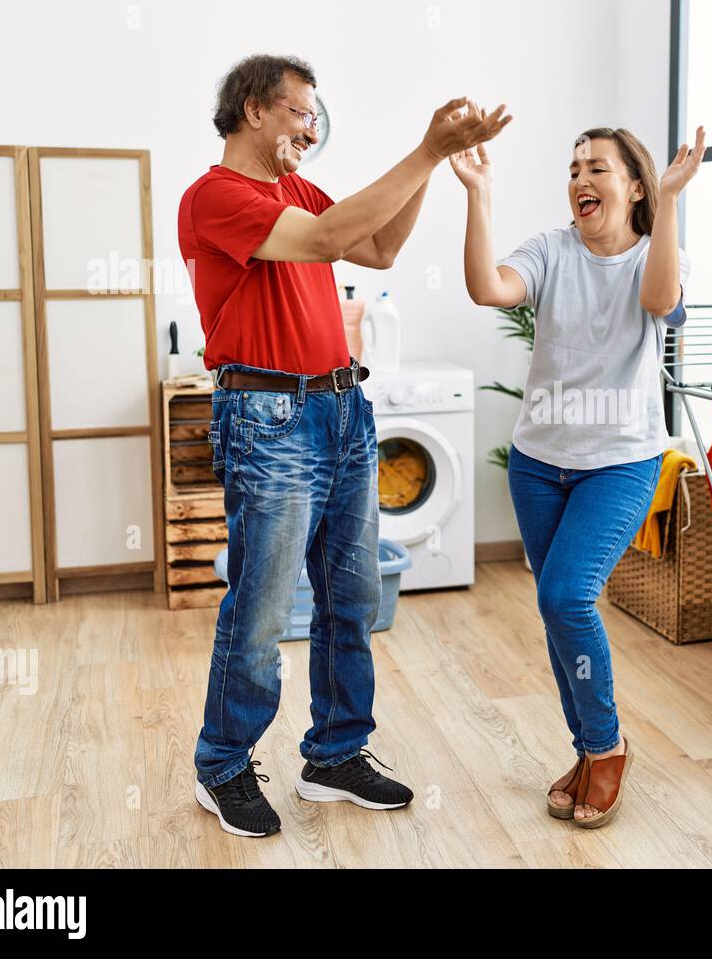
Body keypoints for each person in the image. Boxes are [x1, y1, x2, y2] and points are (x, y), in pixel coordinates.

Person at [179, 53, 511, 837]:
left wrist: (437, 165)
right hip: (270, 419)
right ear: (255, 109)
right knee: (262, 608)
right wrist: (425, 150)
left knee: (352, 599)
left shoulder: (297, 188)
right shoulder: (215, 196)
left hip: (341, 410)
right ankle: (222, 763)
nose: (312, 128)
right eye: (301, 112)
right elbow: (331, 236)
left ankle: (334, 753)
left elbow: (379, 247)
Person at [452, 122, 706, 827]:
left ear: (633, 186)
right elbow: (486, 288)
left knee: (566, 597)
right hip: (538, 465)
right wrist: (479, 195)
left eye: (597, 168)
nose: (580, 180)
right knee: (554, 608)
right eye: (572, 169)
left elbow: (659, 304)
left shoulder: (661, 257)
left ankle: (607, 745)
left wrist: (674, 200)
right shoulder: (550, 252)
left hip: (620, 465)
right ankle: (588, 753)